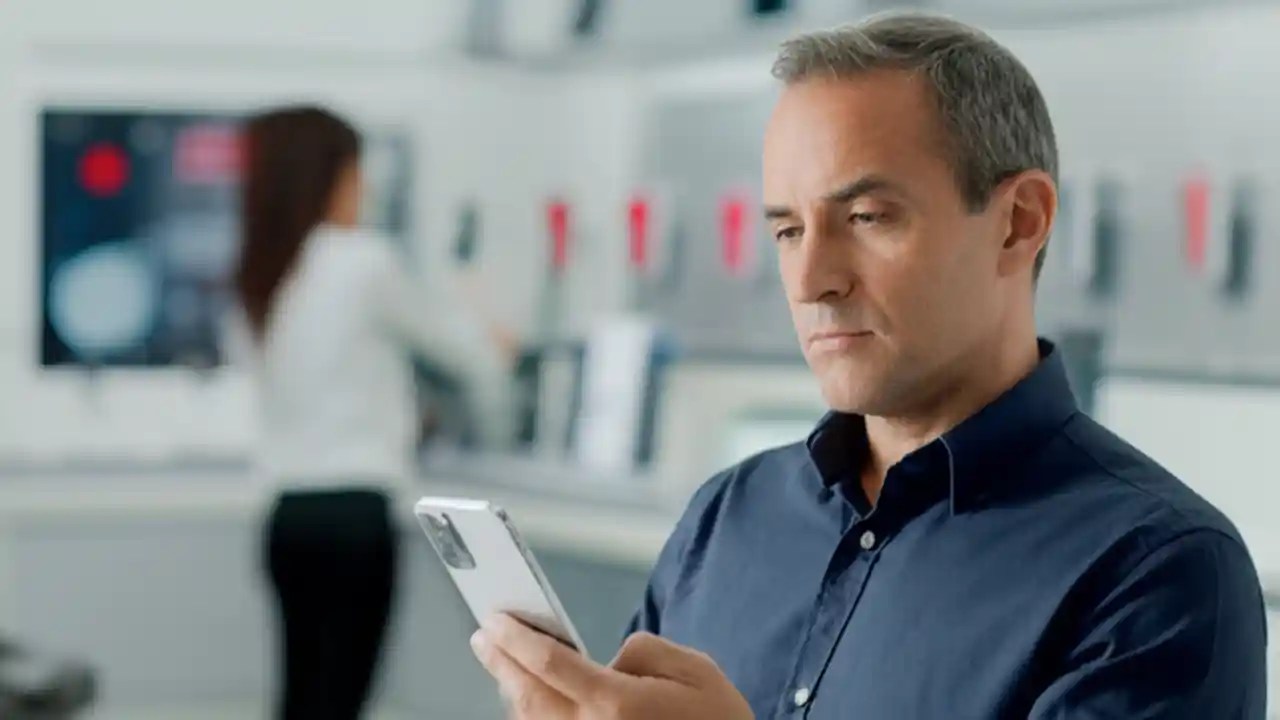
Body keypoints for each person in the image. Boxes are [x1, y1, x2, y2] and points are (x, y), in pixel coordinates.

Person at [469, 12, 1269, 719]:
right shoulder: (728, 518)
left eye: (866, 216)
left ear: (1019, 223)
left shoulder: (1158, 574)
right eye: (787, 231)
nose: (813, 279)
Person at [234, 106, 515, 720]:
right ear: (331, 176)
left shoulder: (263, 271)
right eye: (358, 173)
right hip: (354, 516)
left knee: (301, 695)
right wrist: (494, 336)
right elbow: (463, 350)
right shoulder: (362, 260)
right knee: (341, 699)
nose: (363, 190)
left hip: (287, 519)